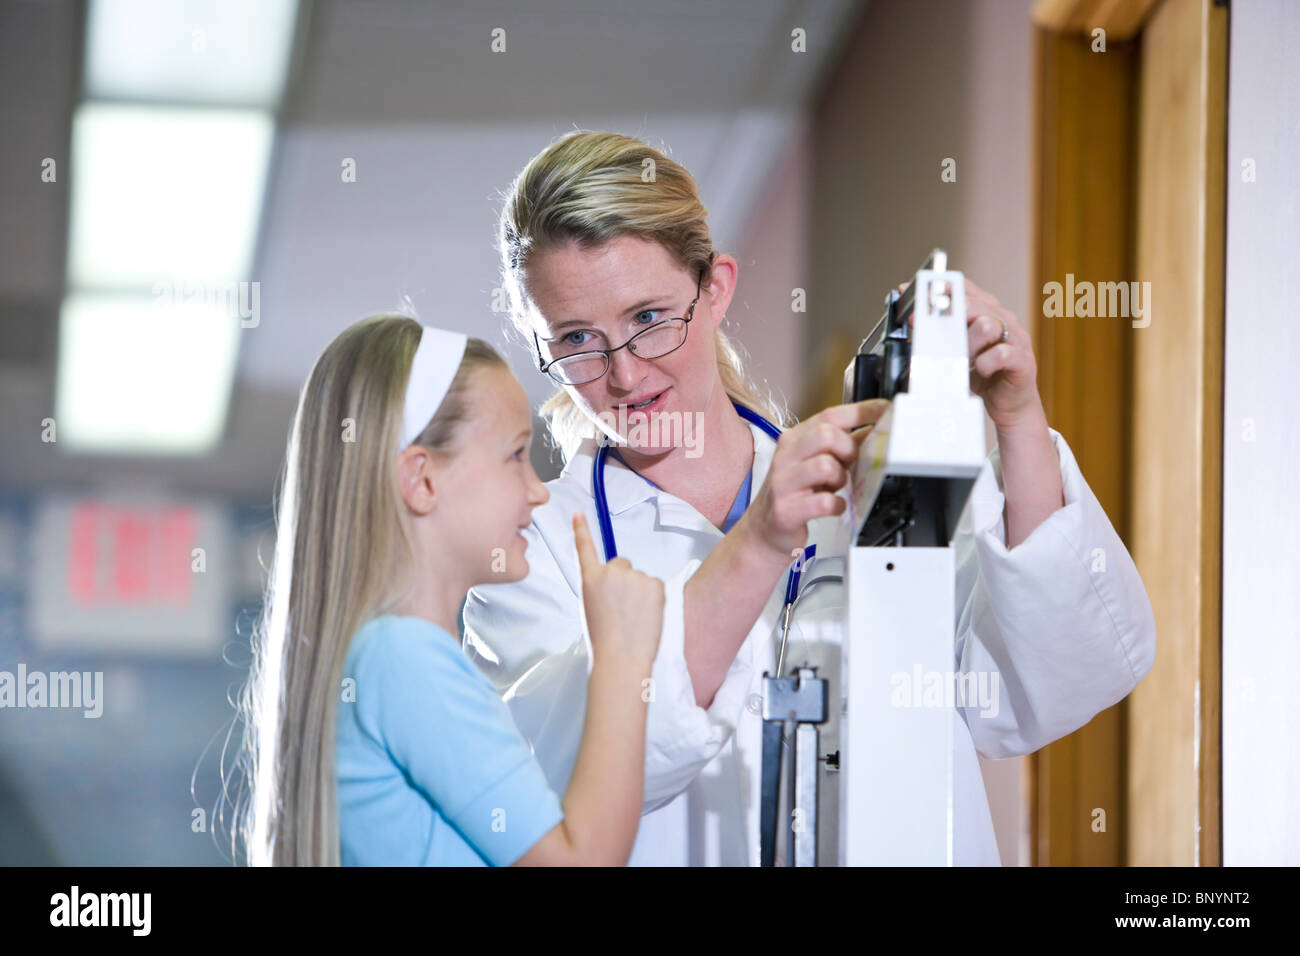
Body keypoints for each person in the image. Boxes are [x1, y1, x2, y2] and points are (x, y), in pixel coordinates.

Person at [462, 131, 1158, 866]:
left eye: (648, 318)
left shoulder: (873, 485)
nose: (626, 375)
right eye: (575, 339)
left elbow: (1050, 682)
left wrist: (1017, 419)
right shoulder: (530, 549)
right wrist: (758, 541)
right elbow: (549, 789)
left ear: (716, 287)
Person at [237, 313, 665, 866]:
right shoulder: (405, 658)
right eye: (515, 456)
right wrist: (623, 660)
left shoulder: (383, 659)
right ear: (423, 480)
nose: (538, 493)